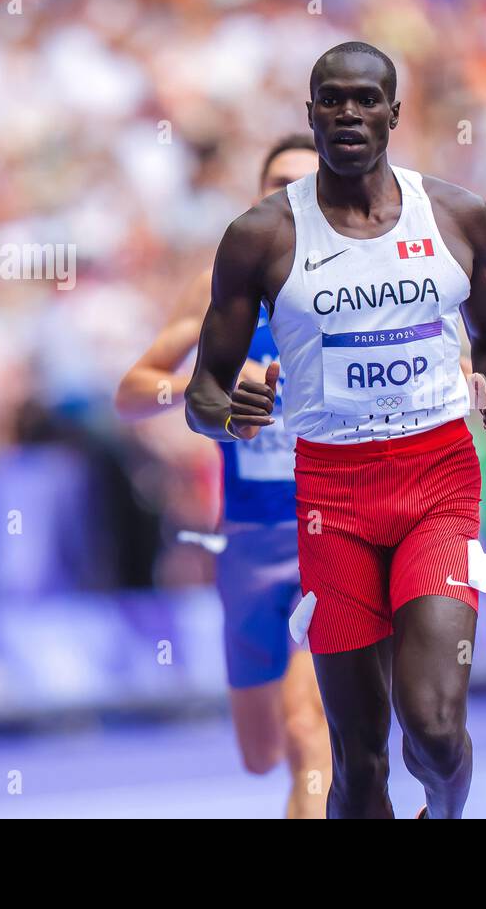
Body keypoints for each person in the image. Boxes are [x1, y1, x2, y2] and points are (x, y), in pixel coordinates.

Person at [185, 42, 486, 819]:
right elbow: (205, 390)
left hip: (438, 479)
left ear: (394, 114)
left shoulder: (456, 214)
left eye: (366, 100)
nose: (348, 113)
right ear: (311, 114)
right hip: (332, 497)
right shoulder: (261, 236)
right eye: (331, 100)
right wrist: (228, 411)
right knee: (359, 760)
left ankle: (444, 812)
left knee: (434, 730)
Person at [116, 134, 331, 819]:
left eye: (305, 183)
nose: (289, 197)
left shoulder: (355, 289)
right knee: (261, 751)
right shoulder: (221, 288)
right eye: (277, 184)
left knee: (306, 734)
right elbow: (130, 393)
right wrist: (199, 384)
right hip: (244, 546)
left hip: (327, 537)